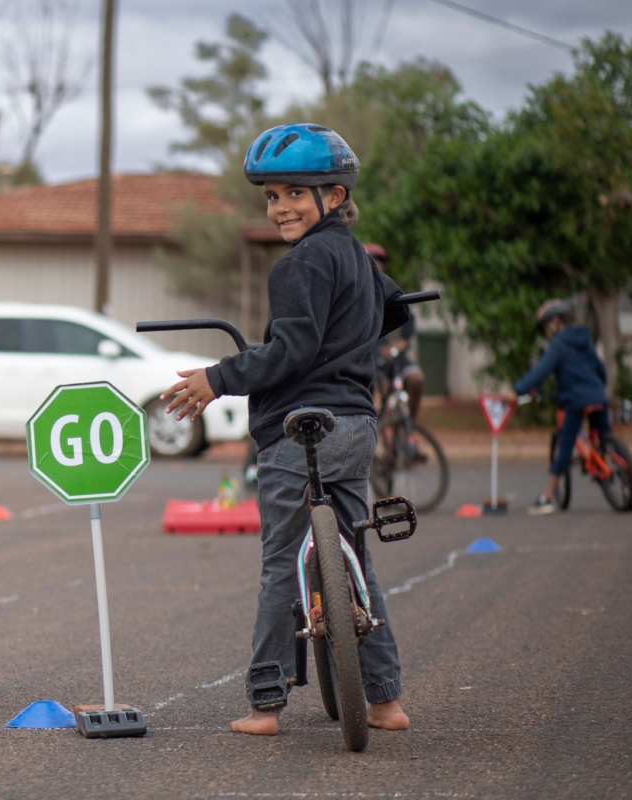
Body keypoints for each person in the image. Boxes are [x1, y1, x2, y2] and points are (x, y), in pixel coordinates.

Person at [163, 123, 412, 737]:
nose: (280, 208)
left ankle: (266, 705)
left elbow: (291, 350)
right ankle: (384, 702)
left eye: (295, 193)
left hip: (299, 429)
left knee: (281, 563)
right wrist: (351, 336)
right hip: (355, 424)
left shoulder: (298, 265)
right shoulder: (356, 255)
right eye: (272, 197)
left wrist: (217, 377)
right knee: (355, 554)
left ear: (333, 194)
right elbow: (396, 308)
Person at [499, 299, 632, 515]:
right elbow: (600, 369)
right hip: (597, 395)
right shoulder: (584, 340)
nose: (546, 333)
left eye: (546, 327)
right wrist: (598, 386)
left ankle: (546, 497)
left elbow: (541, 371)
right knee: (606, 438)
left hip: (575, 401)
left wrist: (516, 390)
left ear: (556, 322)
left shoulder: (558, 344)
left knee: (565, 447)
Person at [365, 243, 425, 421]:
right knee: (380, 387)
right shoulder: (355, 293)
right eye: (371, 260)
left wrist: (400, 344)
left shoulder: (391, 291)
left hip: (395, 358)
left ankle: (407, 425)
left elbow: (407, 331)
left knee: (416, 379)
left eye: (380, 261)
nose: (377, 264)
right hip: (370, 359)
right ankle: (382, 428)